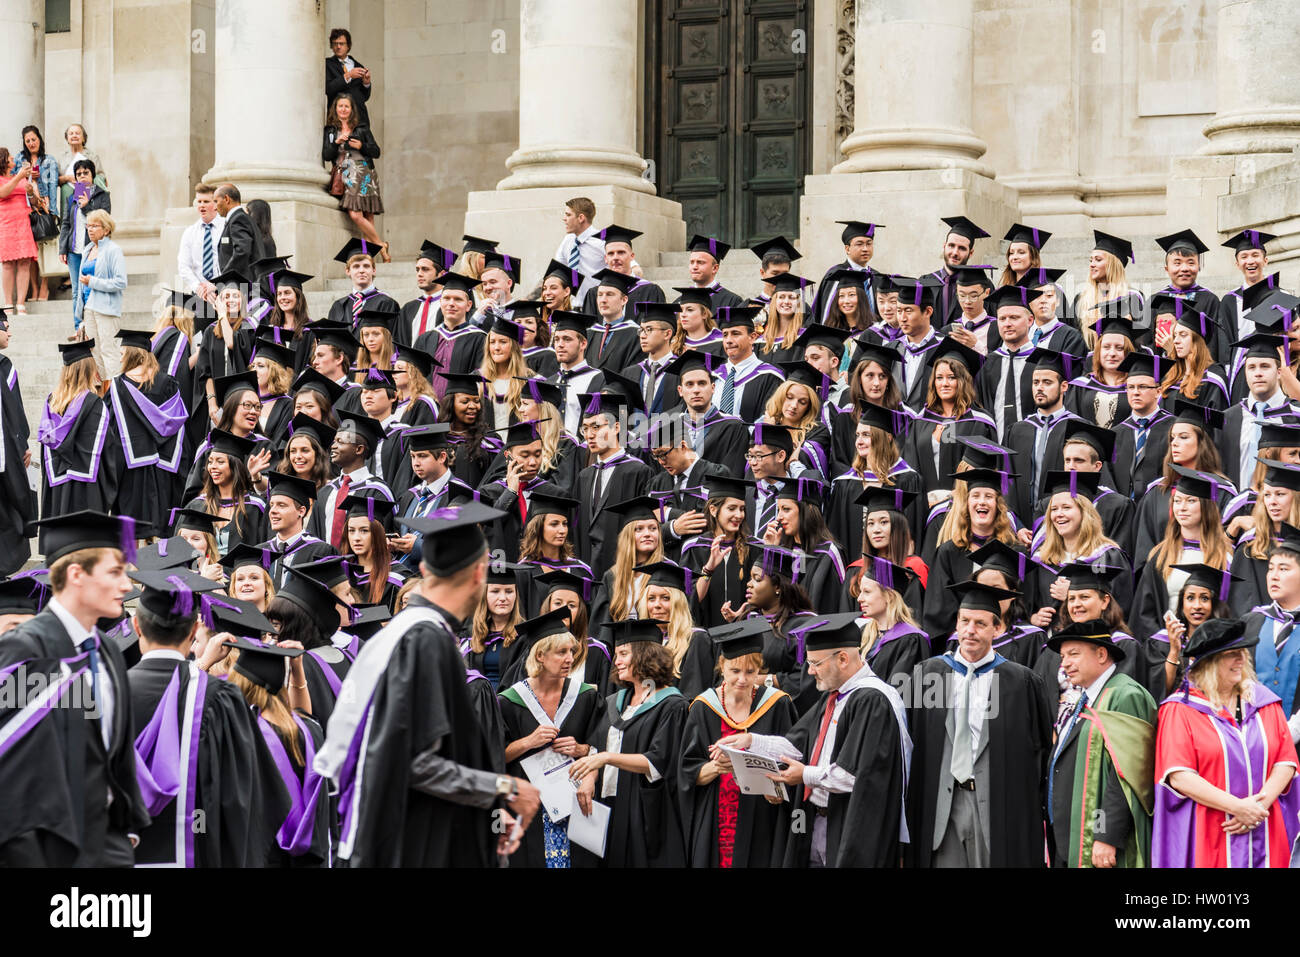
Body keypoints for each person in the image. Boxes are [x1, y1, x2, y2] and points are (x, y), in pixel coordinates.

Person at [315, 502, 542, 865]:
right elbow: (413, 761)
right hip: (407, 844)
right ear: (479, 574)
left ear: (423, 568)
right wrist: (505, 786)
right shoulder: (426, 641)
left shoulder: (403, 632)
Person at [0, 512, 149, 865]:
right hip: (42, 848)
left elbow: (116, 753)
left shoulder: (108, 650)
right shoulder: (28, 650)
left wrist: (125, 831)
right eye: (114, 572)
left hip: (106, 846)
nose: (127, 586)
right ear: (76, 575)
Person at [724, 611, 910, 867]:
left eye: (815, 663)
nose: (809, 671)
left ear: (843, 658)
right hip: (816, 823)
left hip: (849, 827)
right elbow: (798, 746)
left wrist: (805, 775)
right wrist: (751, 741)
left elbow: (854, 775)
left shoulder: (872, 700)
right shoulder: (834, 697)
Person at [125, 568, 271, 867]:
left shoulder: (101, 693)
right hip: (198, 851)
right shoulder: (220, 698)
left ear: (136, 626)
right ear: (194, 632)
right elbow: (249, 793)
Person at [906, 581, 1054, 867]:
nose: (970, 630)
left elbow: (1040, 754)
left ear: (997, 629)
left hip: (997, 809)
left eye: (980, 623)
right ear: (957, 625)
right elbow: (911, 743)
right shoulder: (928, 675)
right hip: (942, 809)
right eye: (964, 621)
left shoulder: (1021, 682)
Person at [1153, 618, 1300, 867]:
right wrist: (1237, 807)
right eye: (1232, 654)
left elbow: (1285, 761)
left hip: (1263, 825)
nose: (1241, 660)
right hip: (1212, 831)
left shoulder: (1264, 702)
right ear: (1208, 663)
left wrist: (1256, 808)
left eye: (1242, 652)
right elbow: (1179, 775)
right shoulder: (1181, 710)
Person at [567, 619, 689, 868]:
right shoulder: (614, 702)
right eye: (615, 654)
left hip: (644, 809)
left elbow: (659, 761)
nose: (617, 661)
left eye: (623, 653)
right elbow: (595, 748)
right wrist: (590, 778)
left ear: (646, 655)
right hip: (608, 805)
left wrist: (607, 758)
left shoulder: (672, 705)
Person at [678, 618, 797, 867]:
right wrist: (717, 767)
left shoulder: (777, 704)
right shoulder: (704, 707)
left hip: (762, 818)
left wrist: (778, 793)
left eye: (751, 672)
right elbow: (687, 774)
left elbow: (793, 762)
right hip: (715, 819)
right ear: (722, 666)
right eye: (735, 671)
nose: (742, 679)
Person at [1045, 619, 1157, 868]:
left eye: (1073, 654)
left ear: (1102, 654)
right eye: (1063, 657)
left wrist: (1104, 835)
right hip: (1069, 833)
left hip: (1099, 842)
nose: (1065, 664)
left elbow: (1124, 776)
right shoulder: (1088, 697)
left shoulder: (1124, 695)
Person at [498, 609, 604, 868]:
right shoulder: (508, 701)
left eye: (572, 651)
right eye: (562, 652)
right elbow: (493, 757)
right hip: (528, 805)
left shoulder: (585, 696)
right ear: (540, 655)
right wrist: (528, 742)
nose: (570, 659)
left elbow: (603, 747)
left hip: (575, 798)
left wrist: (582, 749)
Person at [106, 329, 188, 530]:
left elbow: (110, 430)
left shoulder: (117, 387)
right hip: (162, 468)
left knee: (130, 532)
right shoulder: (168, 383)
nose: (120, 356)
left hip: (130, 470)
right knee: (159, 531)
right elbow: (177, 427)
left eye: (122, 352)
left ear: (131, 354)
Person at [38, 341, 120, 534]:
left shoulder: (51, 403)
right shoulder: (94, 404)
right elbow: (107, 449)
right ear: (90, 370)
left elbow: (47, 445)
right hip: (86, 490)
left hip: (58, 487)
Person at [324, 94, 387, 258]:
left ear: (352, 110)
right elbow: (326, 154)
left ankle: (370, 256)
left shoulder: (362, 128)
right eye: (340, 106)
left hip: (364, 171)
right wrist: (336, 142)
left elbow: (376, 151)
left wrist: (362, 145)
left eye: (347, 106)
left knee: (366, 214)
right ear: (335, 109)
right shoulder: (331, 131)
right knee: (356, 214)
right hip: (346, 173)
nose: (343, 109)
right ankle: (381, 245)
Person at [854, 556, 931, 686]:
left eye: (867, 592)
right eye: (860, 592)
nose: (859, 599)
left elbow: (901, 693)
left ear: (889, 596)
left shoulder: (912, 641)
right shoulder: (862, 633)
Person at [0, 309, 36, 576]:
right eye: (6, 327)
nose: (9, 332)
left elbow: (16, 410)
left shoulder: (5, 366)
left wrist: (21, 442)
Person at [809, 220, 879, 326]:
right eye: (859, 244)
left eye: (869, 244)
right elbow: (827, 314)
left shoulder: (876, 276)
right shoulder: (836, 275)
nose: (865, 249)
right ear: (847, 249)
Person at [19, 126, 60, 302]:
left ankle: (44, 287)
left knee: (46, 249)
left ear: (39, 140)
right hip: (26, 208)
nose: (31, 143)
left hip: (43, 207)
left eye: (33, 139)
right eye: (27, 140)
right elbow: (14, 181)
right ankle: (34, 290)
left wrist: (53, 211)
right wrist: (27, 176)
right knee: (32, 252)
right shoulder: (21, 159)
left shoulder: (49, 160)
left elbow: (53, 186)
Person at [927, 216, 987, 327]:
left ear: (971, 253)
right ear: (944, 246)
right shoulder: (925, 282)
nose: (955, 252)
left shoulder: (981, 286)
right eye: (951, 245)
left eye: (962, 248)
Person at [0, 149, 36, 315]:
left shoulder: (21, 177)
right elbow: (3, 193)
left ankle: (21, 303)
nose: (13, 157)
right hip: (6, 224)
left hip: (23, 223)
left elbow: (35, 201)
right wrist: (19, 176)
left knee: (24, 262)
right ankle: (8, 304)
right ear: (3, 160)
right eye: (9, 156)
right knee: (8, 264)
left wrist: (30, 192)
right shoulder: (8, 178)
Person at [554, 197, 604, 301]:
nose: (564, 218)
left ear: (581, 218)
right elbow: (555, 272)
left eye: (568, 215)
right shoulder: (568, 240)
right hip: (571, 308)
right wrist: (529, 298)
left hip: (595, 307)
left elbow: (632, 269)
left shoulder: (602, 242)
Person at [213, 183, 265, 281]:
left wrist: (224, 277)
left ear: (226, 199)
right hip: (247, 283)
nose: (214, 207)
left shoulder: (238, 218)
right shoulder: (241, 218)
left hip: (244, 284)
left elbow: (242, 251)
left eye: (216, 201)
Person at [325, 28, 373, 126]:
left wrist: (366, 83)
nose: (338, 47)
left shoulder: (358, 65)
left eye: (341, 44)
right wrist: (348, 76)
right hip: (338, 118)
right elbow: (328, 89)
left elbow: (364, 97)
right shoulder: (327, 64)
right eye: (335, 44)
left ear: (348, 46)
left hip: (360, 118)